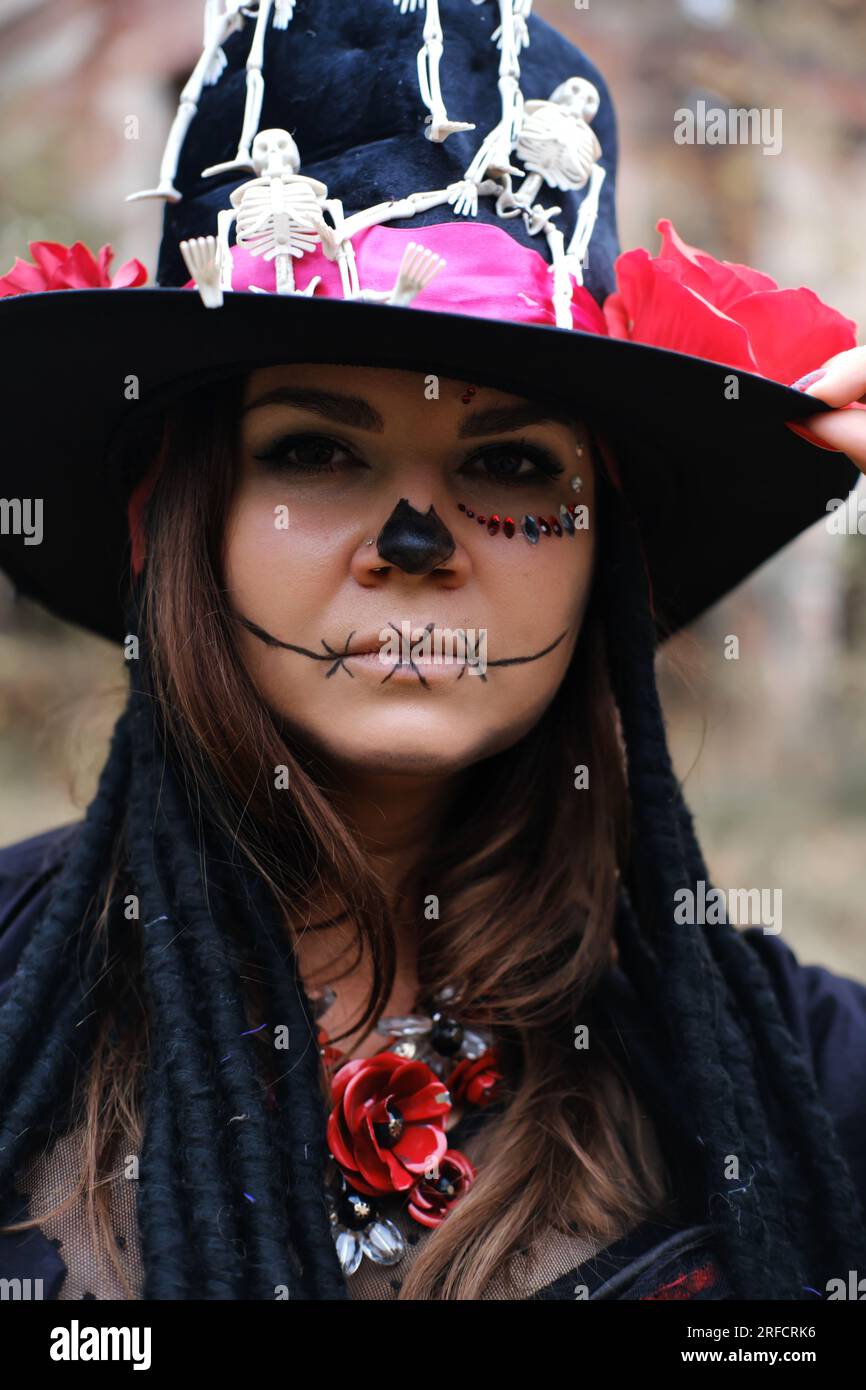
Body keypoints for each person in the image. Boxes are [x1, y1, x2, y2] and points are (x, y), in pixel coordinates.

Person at [1, 0, 865, 1303]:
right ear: (172, 520)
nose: (416, 542)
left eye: (511, 462)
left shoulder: (796, 1066)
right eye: (315, 449)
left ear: (600, 553)